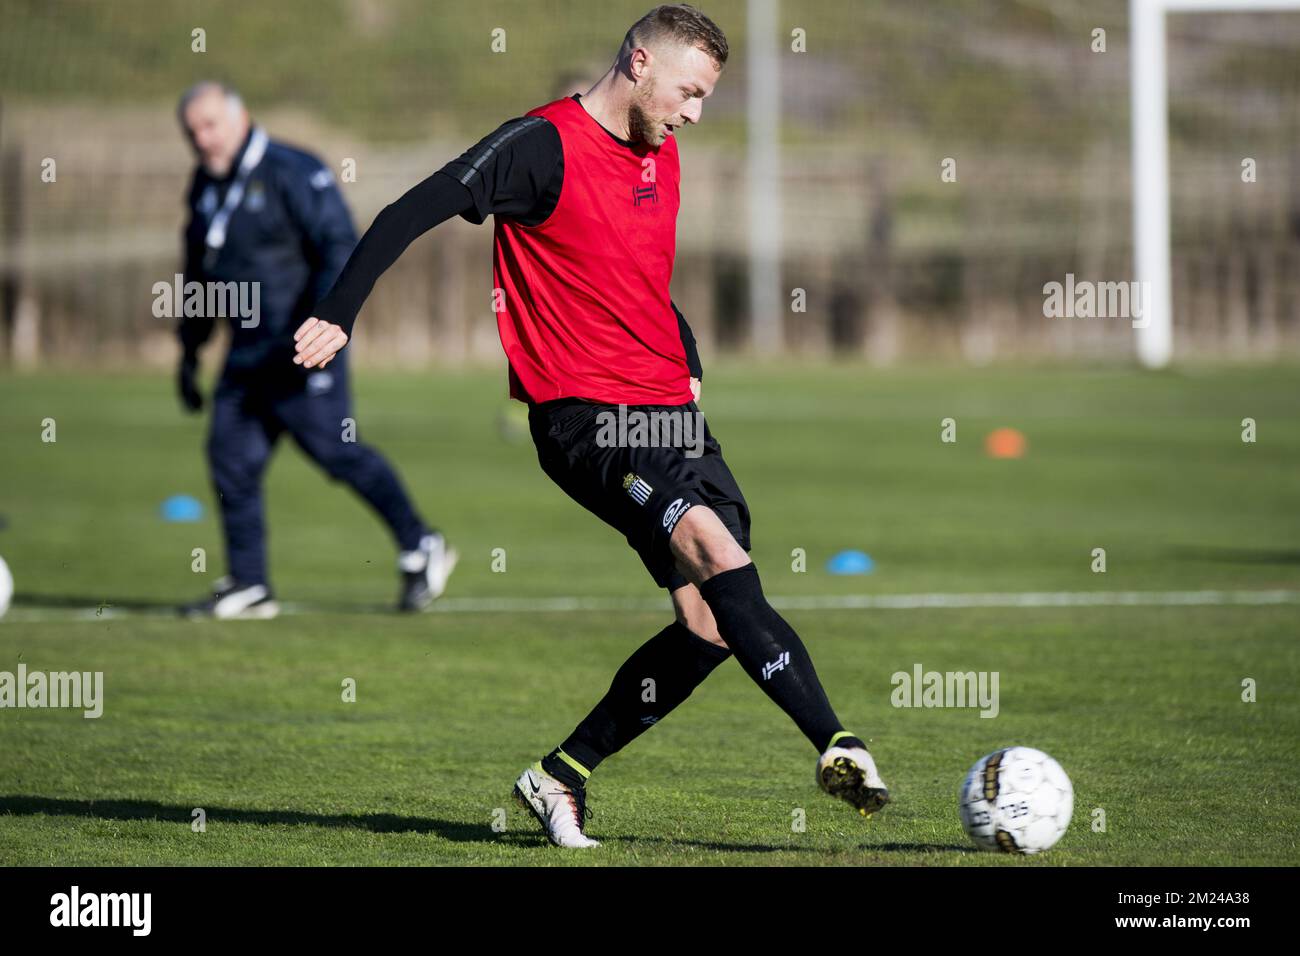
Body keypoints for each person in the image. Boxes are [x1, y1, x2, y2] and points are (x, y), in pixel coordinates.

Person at [295, 4, 888, 848]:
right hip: (587, 420)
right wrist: (340, 310)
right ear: (639, 62)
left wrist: (685, 354)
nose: (693, 113)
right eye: (688, 91)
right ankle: (837, 743)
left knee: (712, 623)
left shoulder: (665, 157)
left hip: (675, 415)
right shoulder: (540, 146)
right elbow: (407, 211)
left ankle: (561, 775)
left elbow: (637, 281)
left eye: (706, 98)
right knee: (720, 553)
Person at [174, 81, 456, 619]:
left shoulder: (292, 170)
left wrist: (329, 320)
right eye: (192, 131)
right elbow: (199, 271)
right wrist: (190, 350)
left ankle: (421, 543)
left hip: (303, 344)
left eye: (209, 125)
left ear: (239, 118)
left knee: (335, 449)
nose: (201, 139)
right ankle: (249, 583)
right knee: (230, 457)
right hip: (247, 352)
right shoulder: (205, 185)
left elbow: (337, 243)